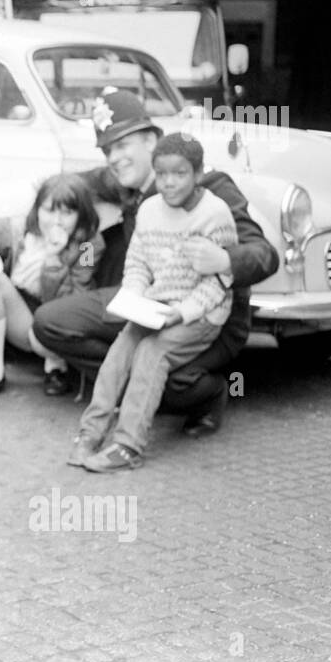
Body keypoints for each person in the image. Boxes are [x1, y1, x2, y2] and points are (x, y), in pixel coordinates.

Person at [30, 89, 279, 433]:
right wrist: (37, 216)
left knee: (172, 380)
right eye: (107, 150)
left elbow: (265, 255)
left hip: (206, 319)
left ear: (151, 141)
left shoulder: (211, 187)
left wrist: (223, 258)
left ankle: (209, 393)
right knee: (49, 323)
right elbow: (82, 181)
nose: (113, 158)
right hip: (148, 304)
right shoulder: (124, 177)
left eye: (121, 146)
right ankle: (130, 385)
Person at [71, 133, 237, 471]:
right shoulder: (149, 210)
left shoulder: (215, 214)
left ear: (198, 173)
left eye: (179, 174)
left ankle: (128, 446)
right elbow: (138, 263)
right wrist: (133, 298)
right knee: (119, 353)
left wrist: (183, 312)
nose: (169, 182)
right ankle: (90, 433)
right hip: (156, 307)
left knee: (152, 354)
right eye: (161, 174)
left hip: (200, 313)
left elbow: (221, 280)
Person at [0, 173, 104, 400]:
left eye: (67, 212)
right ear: (37, 209)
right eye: (49, 210)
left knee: (58, 314)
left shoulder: (89, 246)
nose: (56, 221)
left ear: (81, 214)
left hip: (54, 326)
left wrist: (54, 261)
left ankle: (55, 368)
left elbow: (78, 299)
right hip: (17, 313)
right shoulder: (13, 229)